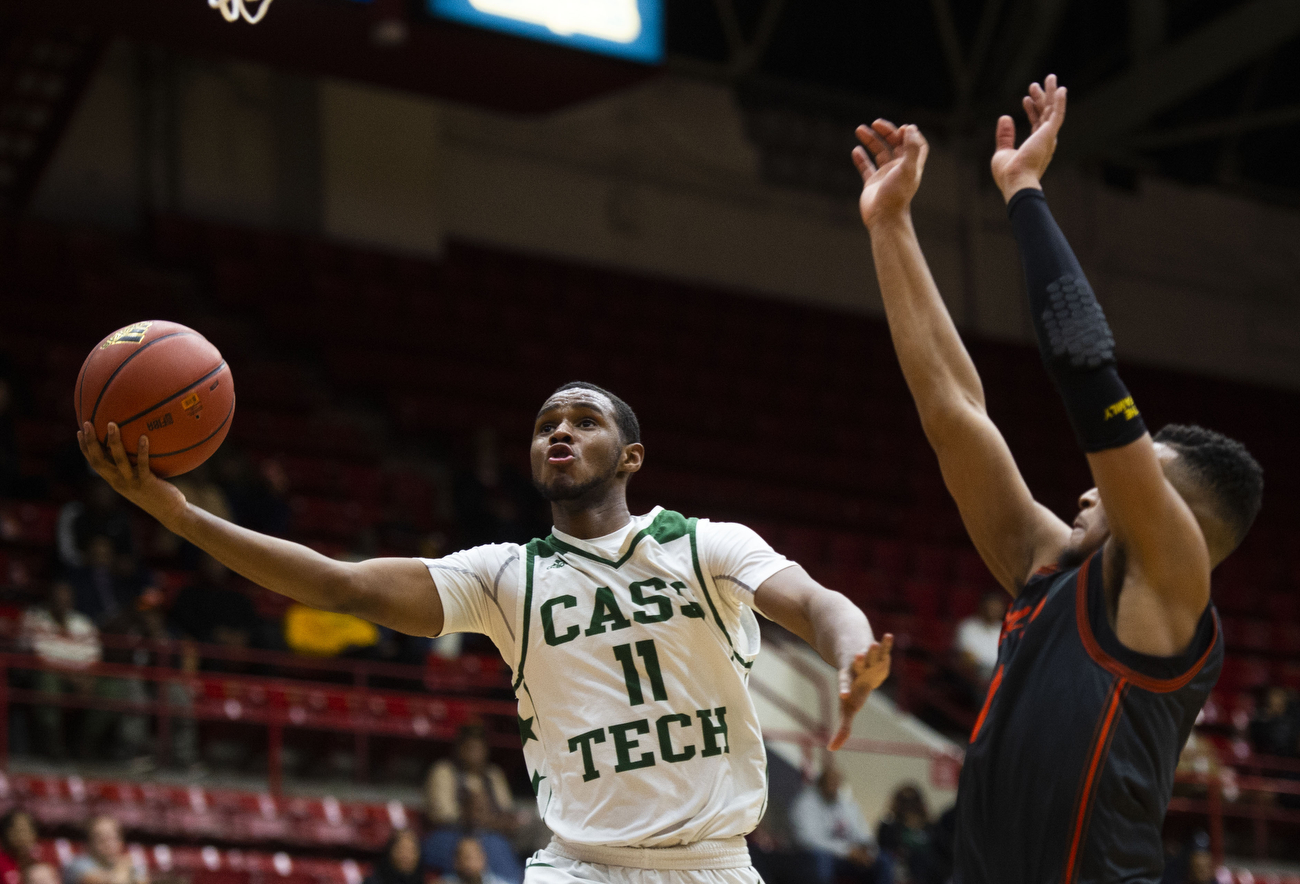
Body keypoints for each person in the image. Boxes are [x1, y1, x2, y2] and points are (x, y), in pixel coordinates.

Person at [78, 378, 894, 884]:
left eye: (583, 420)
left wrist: (852, 648)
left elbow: (817, 602)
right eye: (546, 425)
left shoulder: (702, 544)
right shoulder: (505, 575)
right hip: (580, 867)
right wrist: (180, 515)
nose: (559, 431)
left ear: (632, 457)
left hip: (713, 863)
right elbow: (337, 582)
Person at [852, 74, 1261, 884]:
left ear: (1176, 515)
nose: (1089, 487)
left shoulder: (1171, 579)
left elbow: (1083, 363)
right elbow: (953, 409)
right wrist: (891, 224)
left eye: (1130, 480)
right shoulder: (1049, 566)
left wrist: (1024, 190)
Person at [20, 581, 101, 760]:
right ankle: (52, 747)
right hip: (44, 675)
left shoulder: (82, 622)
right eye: (58, 598)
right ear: (49, 599)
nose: (62, 602)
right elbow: (41, 656)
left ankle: (87, 747)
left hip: (80, 677)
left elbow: (92, 655)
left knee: (111, 688)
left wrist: (87, 679)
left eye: (66, 599)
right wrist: (72, 677)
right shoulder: (35, 618)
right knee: (48, 682)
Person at [789, 763, 887, 884]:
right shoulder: (805, 803)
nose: (835, 785)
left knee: (883, 860)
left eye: (837, 782)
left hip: (848, 857)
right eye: (831, 781)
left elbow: (861, 832)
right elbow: (808, 840)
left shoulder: (847, 803)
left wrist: (867, 848)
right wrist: (846, 851)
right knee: (820, 859)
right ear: (821, 783)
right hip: (821, 856)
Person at [426, 726, 517, 833]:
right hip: (450, 831)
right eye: (470, 748)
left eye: (479, 749)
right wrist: (469, 813)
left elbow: (506, 809)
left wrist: (491, 820)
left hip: (492, 831)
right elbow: (442, 815)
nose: (475, 754)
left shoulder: (494, 774)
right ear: (459, 749)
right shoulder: (444, 771)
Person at [421, 790, 521, 884]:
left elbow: (514, 877)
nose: (475, 814)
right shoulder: (441, 839)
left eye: (481, 810)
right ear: (462, 809)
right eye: (471, 808)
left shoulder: (499, 842)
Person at [169, 554, 260, 650]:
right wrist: (215, 634)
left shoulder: (237, 595)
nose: (216, 565)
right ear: (203, 563)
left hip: (239, 648)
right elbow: (183, 624)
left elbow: (252, 625)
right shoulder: (189, 594)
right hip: (203, 647)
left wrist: (241, 636)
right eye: (212, 561)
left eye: (220, 562)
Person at [876, 785, 942, 884]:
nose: (909, 806)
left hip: (928, 870)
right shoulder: (888, 825)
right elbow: (883, 849)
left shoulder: (931, 826)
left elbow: (940, 849)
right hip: (899, 867)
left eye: (912, 802)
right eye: (904, 802)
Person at [62, 815, 147, 884]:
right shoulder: (77, 865)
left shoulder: (129, 864)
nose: (108, 844)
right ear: (89, 844)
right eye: (101, 839)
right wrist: (123, 870)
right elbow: (95, 880)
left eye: (112, 838)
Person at [952, 591, 1005, 688]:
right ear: (982, 607)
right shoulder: (968, 626)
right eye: (991, 606)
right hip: (975, 676)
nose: (994, 609)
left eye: (997, 606)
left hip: (1000, 675)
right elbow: (967, 657)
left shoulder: (1006, 630)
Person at [1, 810, 57, 884]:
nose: (22, 837)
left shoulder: (40, 861)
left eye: (26, 830)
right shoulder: (2, 862)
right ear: (5, 834)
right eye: (17, 831)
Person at [1249, 686, 1299, 758]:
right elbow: (1256, 740)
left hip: (1290, 759)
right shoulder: (1261, 719)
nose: (1277, 700)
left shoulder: (1293, 719)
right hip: (1267, 758)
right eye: (1274, 697)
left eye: (1280, 697)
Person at [442, 837, 510, 884]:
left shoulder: (499, 882)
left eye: (469, 858)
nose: (467, 864)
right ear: (456, 862)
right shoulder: (445, 882)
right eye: (461, 858)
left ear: (483, 859)